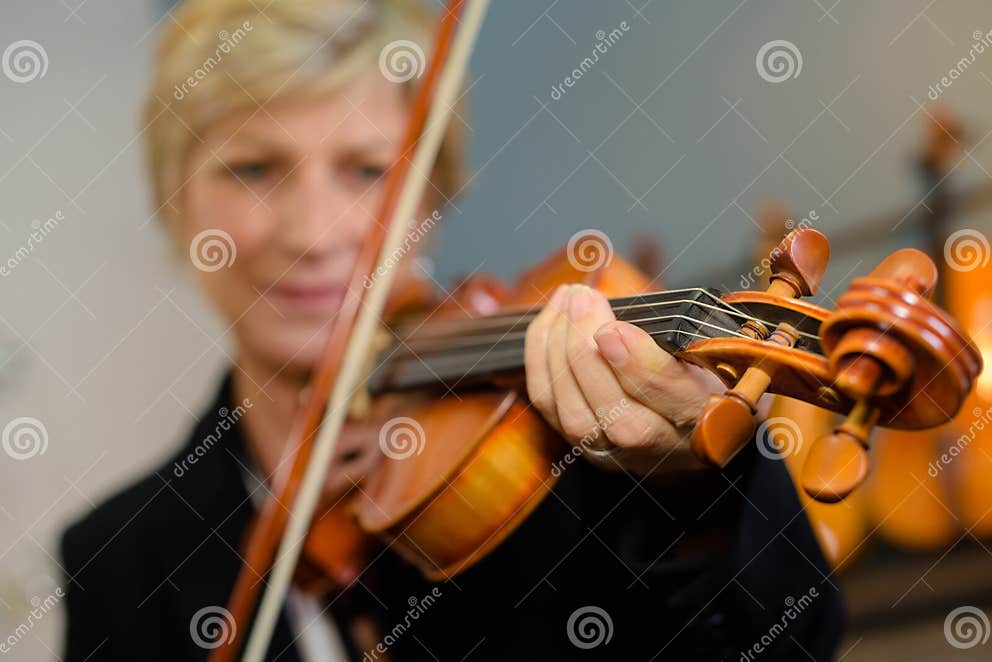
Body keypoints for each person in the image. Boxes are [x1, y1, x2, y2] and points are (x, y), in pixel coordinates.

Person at [60, 0, 844, 659]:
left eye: (369, 170)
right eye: (253, 169)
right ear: (175, 202)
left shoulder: (569, 449)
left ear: (433, 198)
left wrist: (692, 490)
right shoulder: (117, 560)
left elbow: (793, 640)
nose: (312, 231)